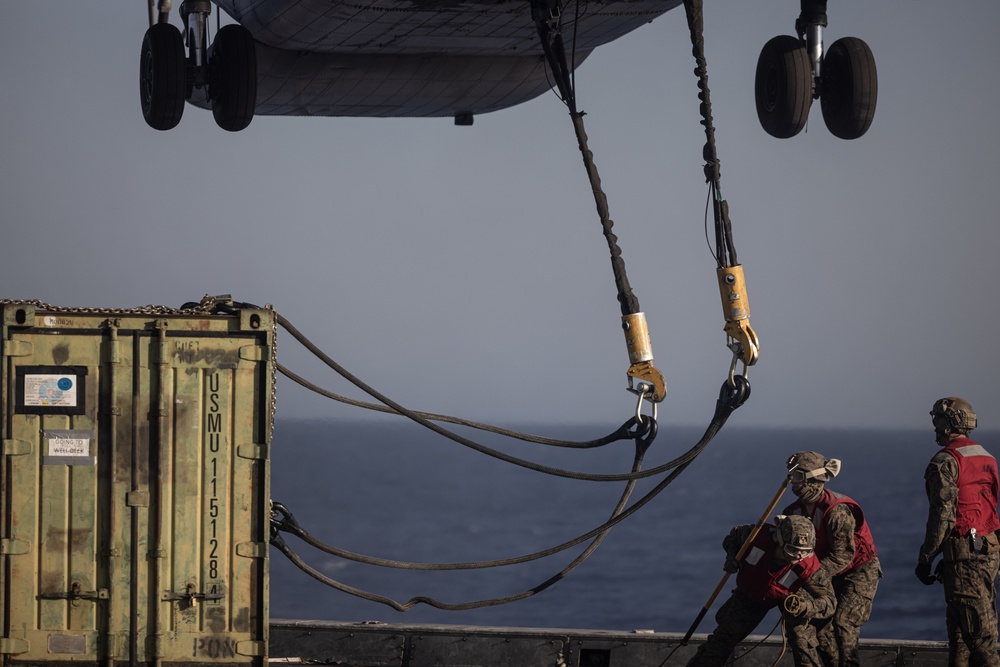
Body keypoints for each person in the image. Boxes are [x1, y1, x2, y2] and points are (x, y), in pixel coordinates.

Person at [915, 397, 1000, 667]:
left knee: (979, 639)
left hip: (965, 557)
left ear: (952, 422)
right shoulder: (986, 456)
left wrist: (926, 558)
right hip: (988, 550)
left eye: (938, 420)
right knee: (961, 633)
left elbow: (943, 516)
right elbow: (989, 506)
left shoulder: (945, 461)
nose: (935, 426)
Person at [686, 515, 836, 667]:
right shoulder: (756, 536)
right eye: (792, 549)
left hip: (793, 598)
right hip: (752, 594)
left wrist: (805, 607)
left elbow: (830, 601)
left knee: (801, 640)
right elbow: (733, 537)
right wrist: (732, 556)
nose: (799, 556)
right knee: (723, 638)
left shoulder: (809, 567)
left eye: (805, 551)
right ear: (779, 539)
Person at [782, 451, 881, 667]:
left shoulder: (837, 511)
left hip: (857, 572)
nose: (794, 484)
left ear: (815, 479)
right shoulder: (792, 512)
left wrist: (810, 576)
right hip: (824, 573)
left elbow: (843, 555)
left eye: (798, 478)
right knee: (820, 629)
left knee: (843, 624)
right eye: (792, 477)